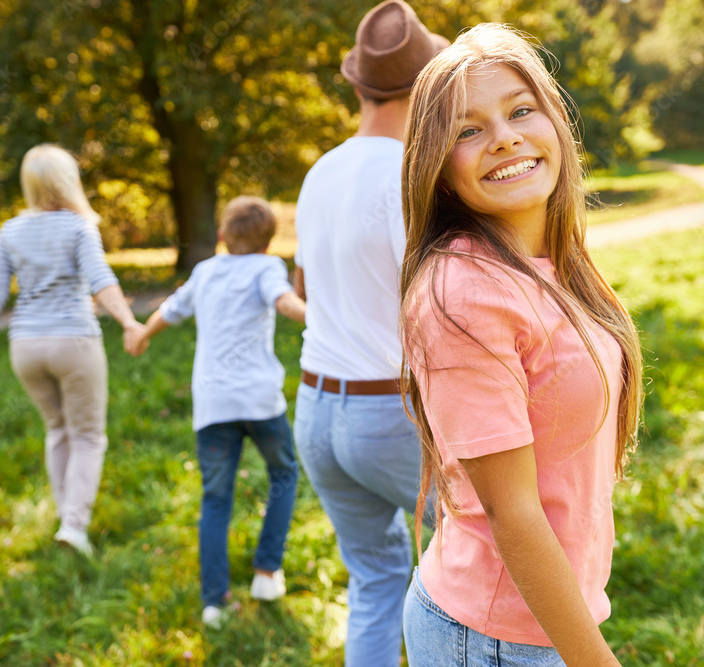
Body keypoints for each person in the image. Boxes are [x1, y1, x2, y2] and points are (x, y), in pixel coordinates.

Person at [398, 24, 645, 666]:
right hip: (495, 641)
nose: (504, 136)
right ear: (439, 170)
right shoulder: (464, 294)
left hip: (543, 616)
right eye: (467, 129)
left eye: (520, 110)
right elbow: (512, 514)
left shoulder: (548, 261)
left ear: (555, 122)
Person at [291, 1, 449, 664]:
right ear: (427, 87)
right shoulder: (404, 175)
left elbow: (303, 289)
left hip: (316, 410)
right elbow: (432, 306)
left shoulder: (320, 170)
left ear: (358, 84)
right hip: (387, 412)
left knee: (376, 578)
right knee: (501, 557)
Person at [0, 144, 143, 558]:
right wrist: (128, 321)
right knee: (88, 435)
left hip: (25, 346)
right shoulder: (78, 227)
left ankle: (66, 518)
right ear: (69, 181)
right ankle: (74, 526)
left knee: (58, 430)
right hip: (73, 342)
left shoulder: (10, 231)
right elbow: (100, 278)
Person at [126, 195, 306, 629]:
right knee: (284, 474)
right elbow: (284, 302)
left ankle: (214, 603)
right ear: (268, 243)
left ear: (223, 236)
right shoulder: (267, 268)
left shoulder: (204, 272)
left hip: (213, 404)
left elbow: (169, 310)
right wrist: (321, 321)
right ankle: (266, 572)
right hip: (261, 401)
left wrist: (141, 336)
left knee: (215, 499)